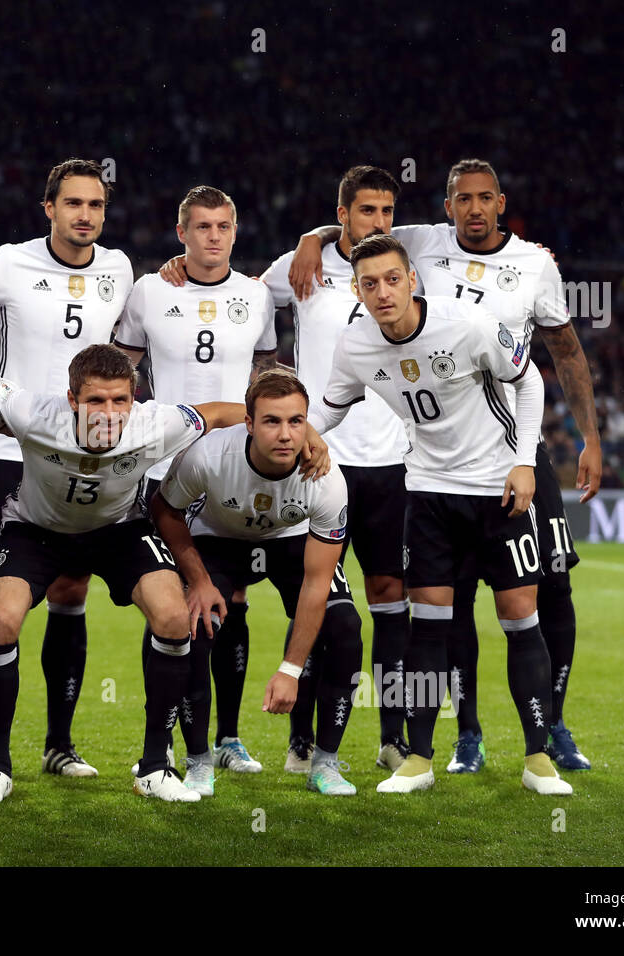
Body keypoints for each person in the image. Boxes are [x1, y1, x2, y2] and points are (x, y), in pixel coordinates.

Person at [290, 159, 598, 773]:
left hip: (512, 457)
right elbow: (355, 231)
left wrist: (568, 445)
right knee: (438, 611)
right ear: (448, 205)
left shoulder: (525, 272)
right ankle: (457, 740)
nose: (475, 208)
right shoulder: (419, 247)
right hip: (429, 480)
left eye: (486, 198)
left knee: (542, 595)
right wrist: (312, 238)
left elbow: (552, 358)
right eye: (463, 198)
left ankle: (549, 734)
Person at [0, 344, 330, 803]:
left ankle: (154, 765)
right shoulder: (32, 412)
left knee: (173, 617)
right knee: (0, 620)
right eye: (95, 400)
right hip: (35, 529)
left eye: (120, 400)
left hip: (118, 529)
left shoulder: (154, 423)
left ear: (134, 398)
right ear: (71, 399)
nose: (109, 412)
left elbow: (225, 413)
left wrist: (310, 434)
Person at [160, 165, 415, 773]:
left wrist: (317, 232)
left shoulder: (410, 265)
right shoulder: (295, 270)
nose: (377, 223)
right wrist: (180, 274)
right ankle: (299, 744)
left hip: (389, 460)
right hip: (311, 454)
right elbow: (230, 294)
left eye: (386, 212)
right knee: (272, 595)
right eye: (364, 212)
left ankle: (392, 736)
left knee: (385, 598)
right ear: (343, 213)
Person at [318, 234, 571, 796]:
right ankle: (420, 759)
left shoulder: (468, 325)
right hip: (428, 495)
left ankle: (537, 758)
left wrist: (524, 463)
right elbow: (330, 408)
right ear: (356, 290)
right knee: (428, 627)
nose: (382, 292)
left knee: (519, 618)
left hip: (495, 490)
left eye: (391, 279)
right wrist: (294, 436)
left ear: (412, 280)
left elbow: (528, 380)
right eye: (368, 283)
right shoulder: (356, 345)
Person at [0, 159, 135, 780]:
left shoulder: (118, 270)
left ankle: (59, 745)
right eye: (73, 203)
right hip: (11, 456)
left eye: (95, 204)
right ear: (49, 208)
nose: (85, 215)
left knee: (71, 594)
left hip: (85, 459)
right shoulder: (6, 264)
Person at [115, 185, 279, 775]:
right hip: (165, 470)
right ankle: (169, 747)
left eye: (224, 227)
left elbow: (265, 374)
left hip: (233, 468)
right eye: (202, 227)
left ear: (235, 233)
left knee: (230, 598)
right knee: (173, 601)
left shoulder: (258, 296)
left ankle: (227, 740)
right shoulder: (149, 290)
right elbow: (122, 368)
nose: (214, 236)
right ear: (181, 232)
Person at [151, 370, 360, 796]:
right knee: (196, 620)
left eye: (296, 422)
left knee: (345, 627)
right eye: (271, 421)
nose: (286, 435)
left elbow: (317, 585)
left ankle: (324, 764)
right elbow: (165, 510)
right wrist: (199, 579)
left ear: (308, 423)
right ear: (248, 423)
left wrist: (290, 669)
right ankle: (197, 762)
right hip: (218, 538)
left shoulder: (327, 480)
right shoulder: (208, 456)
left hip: (289, 540)